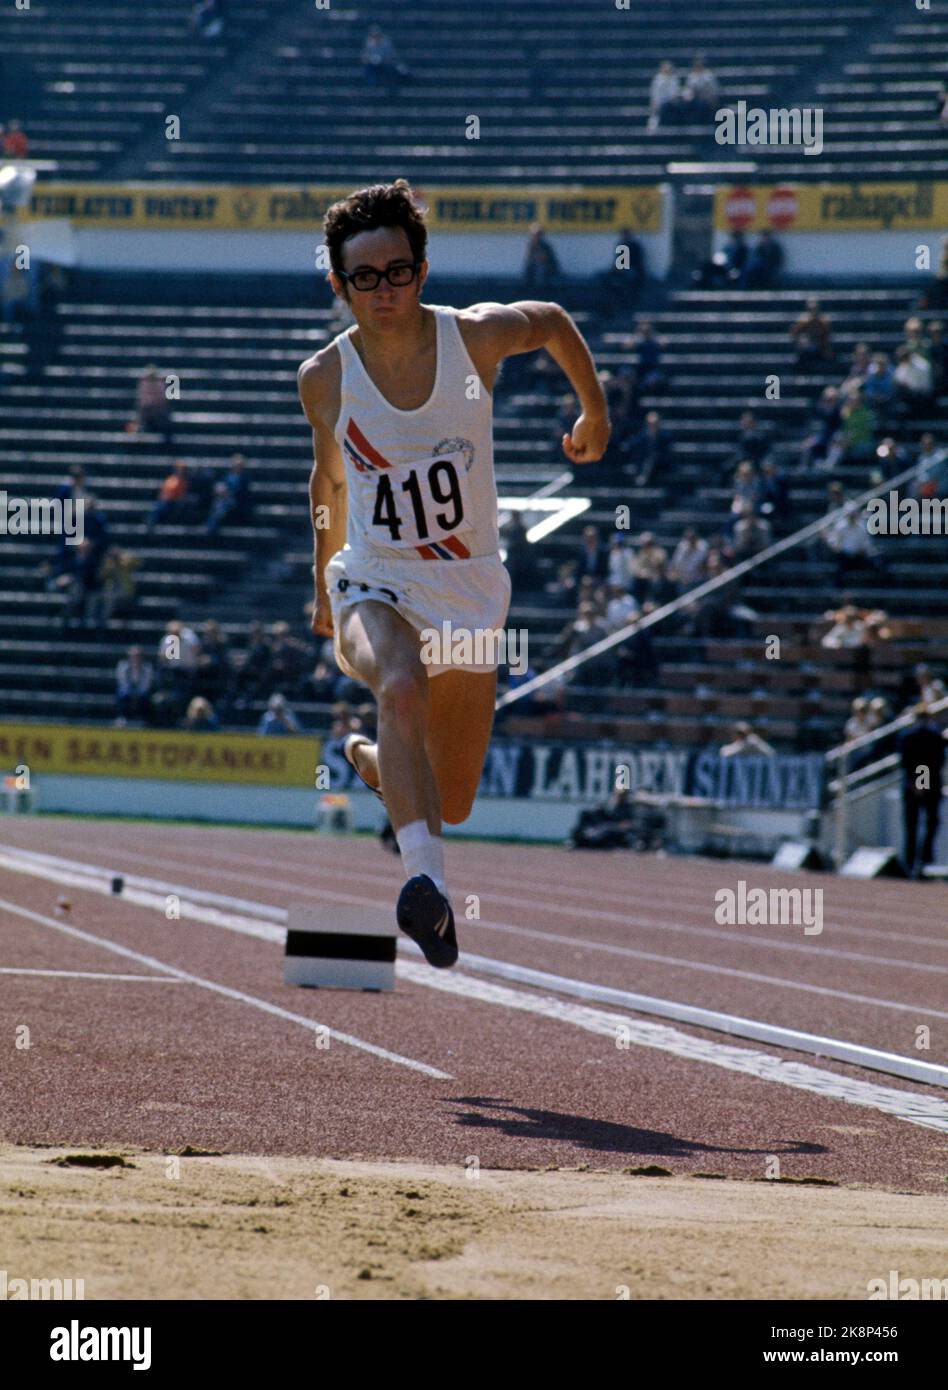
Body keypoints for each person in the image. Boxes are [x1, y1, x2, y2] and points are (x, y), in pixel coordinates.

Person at [298, 177, 609, 968]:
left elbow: (552, 321)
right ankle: (426, 891)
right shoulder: (325, 379)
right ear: (339, 285)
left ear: (422, 270)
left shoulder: (471, 340)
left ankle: (371, 762)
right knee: (399, 683)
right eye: (364, 277)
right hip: (374, 577)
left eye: (397, 270)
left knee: (457, 796)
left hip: (469, 587)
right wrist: (320, 584)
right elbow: (329, 482)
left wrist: (594, 412)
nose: (384, 290)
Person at [897, 704, 946, 877]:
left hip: (920, 785)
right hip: (923, 784)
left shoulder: (916, 736)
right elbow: (926, 762)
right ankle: (919, 859)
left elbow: (927, 761)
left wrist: (919, 782)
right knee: (919, 824)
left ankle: (915, 861)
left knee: (918, 824)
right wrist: (920, 782)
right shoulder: (928, 736)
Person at [115, 646, 154, 726]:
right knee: (121, 694)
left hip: (141, 691)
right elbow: (122, 682)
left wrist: (137, 693)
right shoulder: (122, 666)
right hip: (128, 690)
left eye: (138, 656)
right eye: (133, 656)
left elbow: (146, 685)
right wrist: (131, 692)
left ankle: (145, 719)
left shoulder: (147, 668)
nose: (135, 658)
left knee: (146, 696)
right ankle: (122, 717)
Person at [789, 298, 833, 366]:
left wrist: (826, 349)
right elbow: (794, 334)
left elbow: (826, 337)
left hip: (819, 347)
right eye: (811, 309)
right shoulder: (802, 321)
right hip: (806, 347)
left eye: (815, 309)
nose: (813, 311)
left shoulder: (823, 322)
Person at [135, 365, 174, 442]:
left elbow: (163, 398)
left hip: (158, 410)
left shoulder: (160, 383)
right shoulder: (144, 383)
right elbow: (143, 400)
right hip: (147, 410)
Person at [522, 225, 560, 289]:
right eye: (533, 235)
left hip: (548, 267)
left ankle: (541, 291)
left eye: (537, 235)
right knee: (528, 269)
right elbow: (528, 259)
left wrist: (540, 257)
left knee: (541, 269)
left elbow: (546, 259)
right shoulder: (531, 245)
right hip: (535, 267)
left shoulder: (545, 246)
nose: (535, 237)